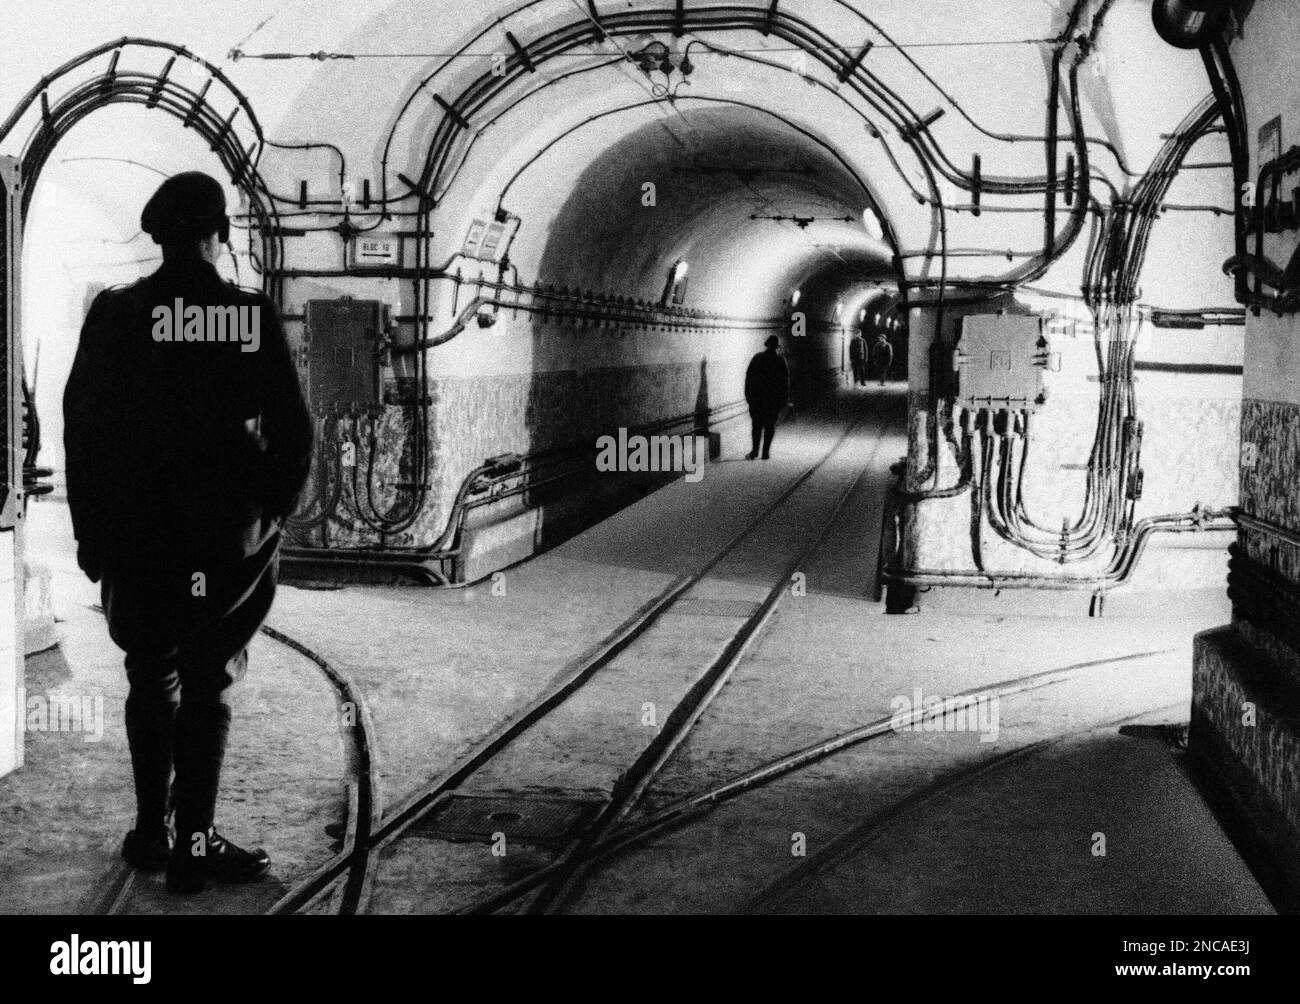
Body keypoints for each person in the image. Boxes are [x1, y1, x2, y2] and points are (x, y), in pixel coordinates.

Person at [63, 172, 313, 894]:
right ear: (221, 232)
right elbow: (293, 433)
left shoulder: (114, 313)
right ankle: (196, 846)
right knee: (208, 680)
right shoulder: (244, 315)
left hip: (138, 529)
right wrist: (269, 515)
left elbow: (82, 426)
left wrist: (90, 528)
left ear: (157, 235)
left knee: (150, 671)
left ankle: (151, 833)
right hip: (221, 533)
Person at [744, 335, 790, 460]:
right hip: (773, 401)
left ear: (767, 344)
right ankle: (765, 453)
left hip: (757, 400)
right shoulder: (780, 360)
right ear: (777, 347)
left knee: (756, 427)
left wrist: (749, 397)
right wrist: (784, 400)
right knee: (770, 427)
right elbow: (785, 382)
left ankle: (754, 451)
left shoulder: (757, 358)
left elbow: (749, 378)